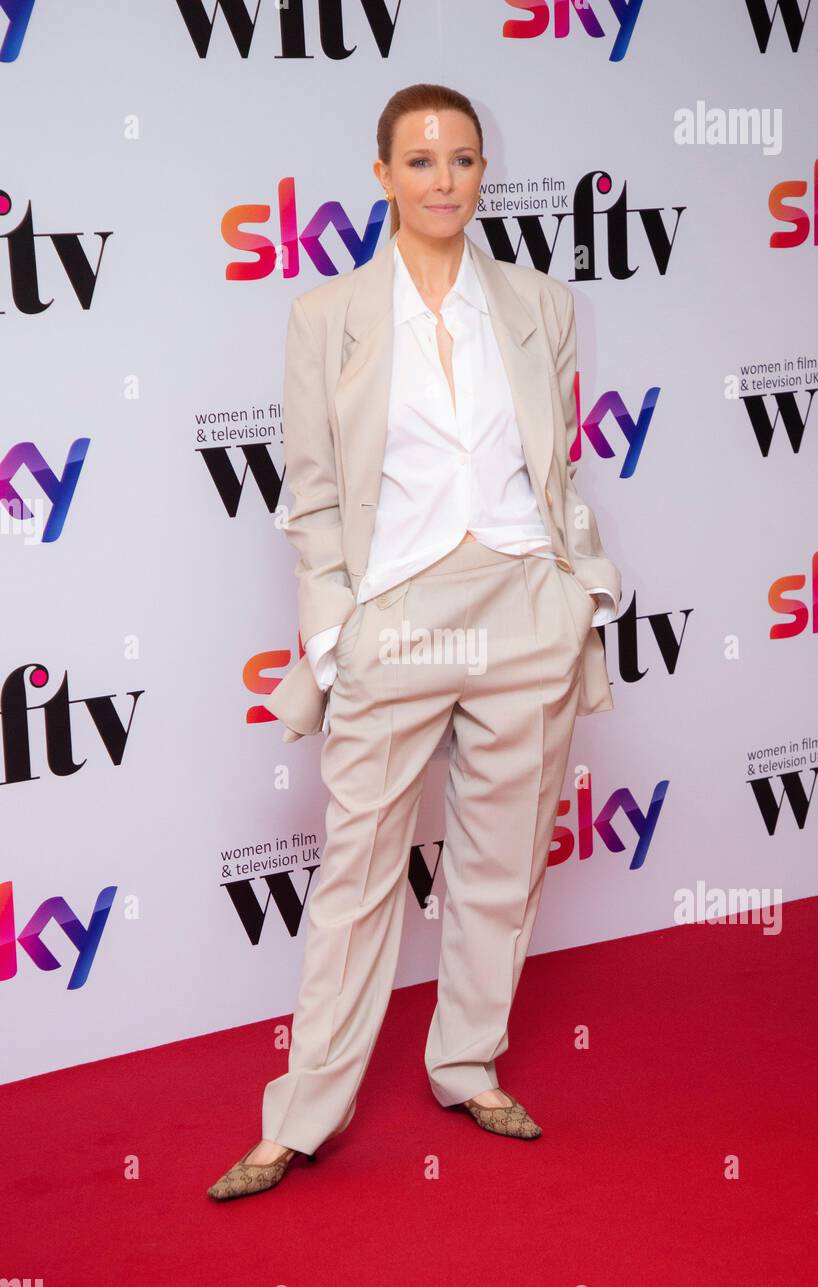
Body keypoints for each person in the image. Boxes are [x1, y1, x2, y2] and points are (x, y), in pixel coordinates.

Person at [208, 83, 621, 1201]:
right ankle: (299, 1115)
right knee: (355, 870)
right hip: (394, 614)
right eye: (421, 160)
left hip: (523, 605)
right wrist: (334, 633)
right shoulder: (326, 313)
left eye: (463, 159)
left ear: (484, 173)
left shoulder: (539, 302)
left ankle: (465, 1061)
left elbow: (558, 468)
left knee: (499, 861)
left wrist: (576, 585)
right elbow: (309, 494)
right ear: (382, 174)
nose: (444, 180)